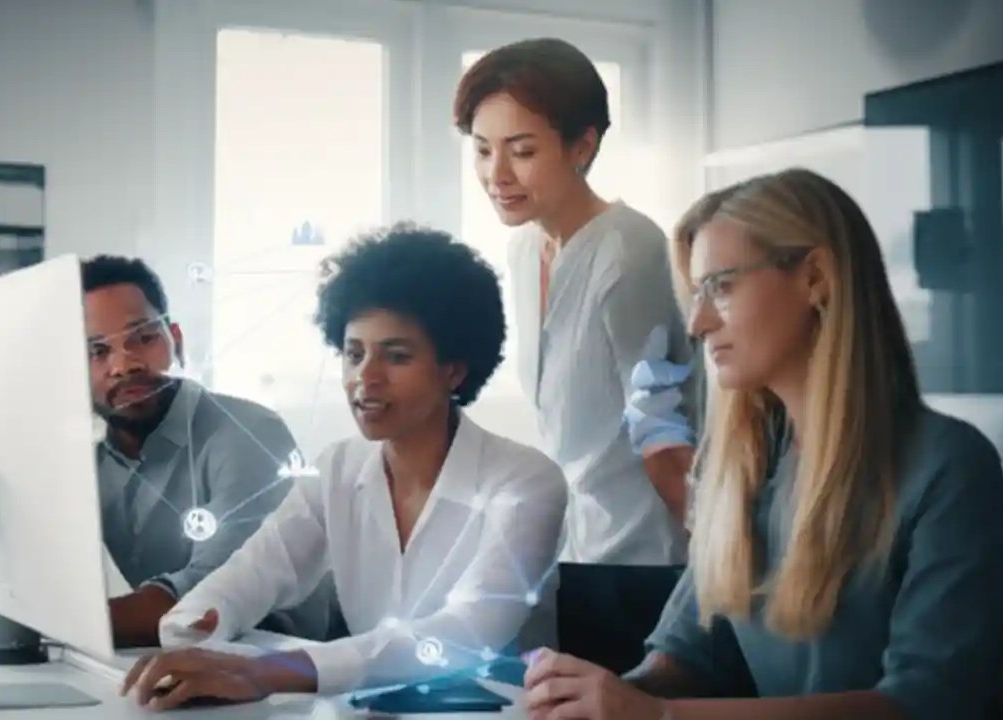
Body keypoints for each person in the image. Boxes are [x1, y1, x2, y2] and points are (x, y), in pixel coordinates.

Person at [522, 169, 1003, 720]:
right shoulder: (741, 469)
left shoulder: (950, 466)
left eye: (722, 287)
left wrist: (656, 716)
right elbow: (688, 654)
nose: (700, 322)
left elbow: (926, 704)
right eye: (697, 293)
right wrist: (588, 702)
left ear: (816, 277)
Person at [118, 224, 568, 710]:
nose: (365, 379)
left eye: (396, 356)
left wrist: (265, 670)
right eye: (354, 353)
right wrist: (192, 633)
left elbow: (464, 635)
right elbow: (254, 573)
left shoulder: (526, 481)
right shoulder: (338, 468)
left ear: (453, 369)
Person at [454, 37, 697, 567]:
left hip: (653, 558)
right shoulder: (524, 248)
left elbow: (662, 430)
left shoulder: (627, 251)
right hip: (580, 548)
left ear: (582, 147)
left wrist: (723, 573)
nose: (497, 175)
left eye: (522, 151)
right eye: (482, 149)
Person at [81, 255, 329, 647]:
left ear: (175, 341)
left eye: (143, 337)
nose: (123, 365)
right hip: (178, 663)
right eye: (98, 352)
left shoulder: (248, 433)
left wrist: (45, 624)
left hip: (281, 672)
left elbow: (206, 602)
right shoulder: (91, 465)